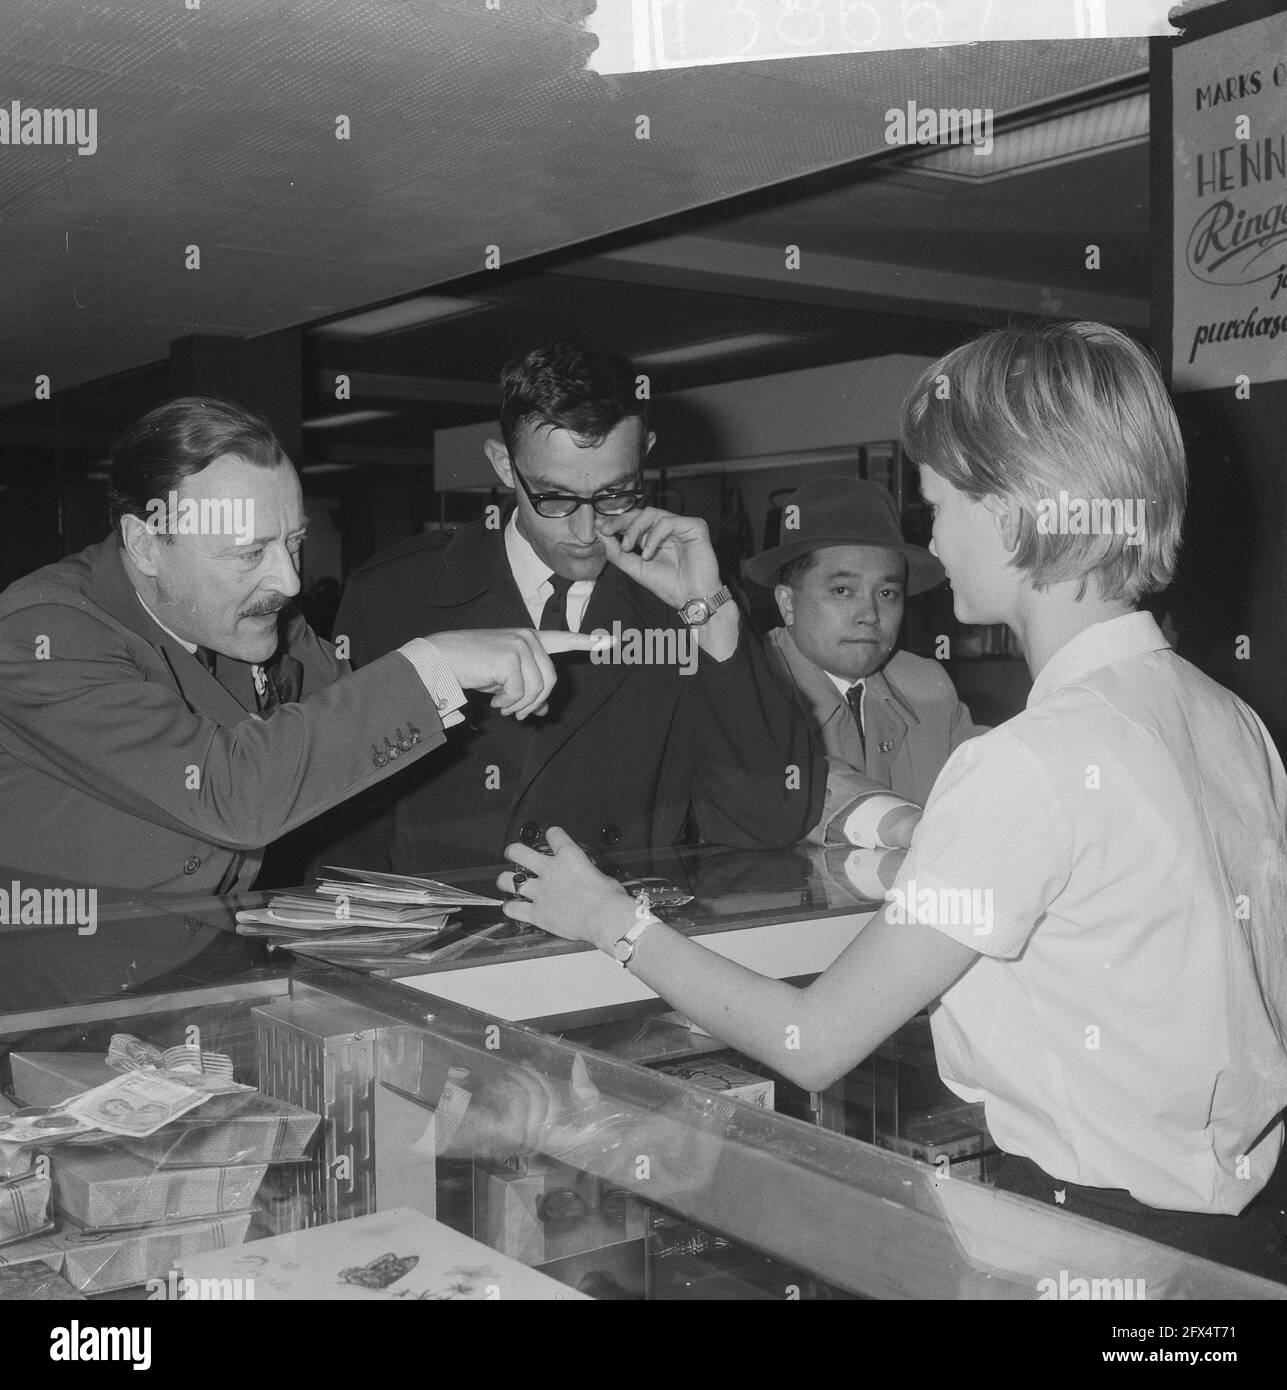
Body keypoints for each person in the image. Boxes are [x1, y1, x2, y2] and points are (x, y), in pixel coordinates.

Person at [496, 322, 1287, 1281]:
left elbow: (810, 1042)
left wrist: (610, 921)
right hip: (1238, 1239)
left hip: (1095, 1246)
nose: (932, 539)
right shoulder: (1224, 717)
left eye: (941, 504)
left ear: (1016, 511)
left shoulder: (1031, 761)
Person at [0, 397, 597, 895]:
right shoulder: (41, 634)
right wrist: (436, 663)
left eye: (293, 542)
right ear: (146, 544)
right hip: (62, 974)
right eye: (249, 553)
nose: (288, 582)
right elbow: (228, 794)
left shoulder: (256, 617)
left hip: (203, 953)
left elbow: (349, 736)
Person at [324, 335, 823, 870]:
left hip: (619, 917)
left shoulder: (691, 601)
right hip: (453, 919)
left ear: (645, 453)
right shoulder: (394, 594)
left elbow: (770, 819)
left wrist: (711, 615)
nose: (587, 531)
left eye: (615, 494)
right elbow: (340, 816)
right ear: (503, 465)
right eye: (554, 497)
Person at [747, 476, 984, 850]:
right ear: (787, 603)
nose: (870, 614)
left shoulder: (926, 684)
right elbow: (787, 774)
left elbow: (989, 770)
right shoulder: (748, 684)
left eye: (887, 593)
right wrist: (903, 825)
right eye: (842, 590)